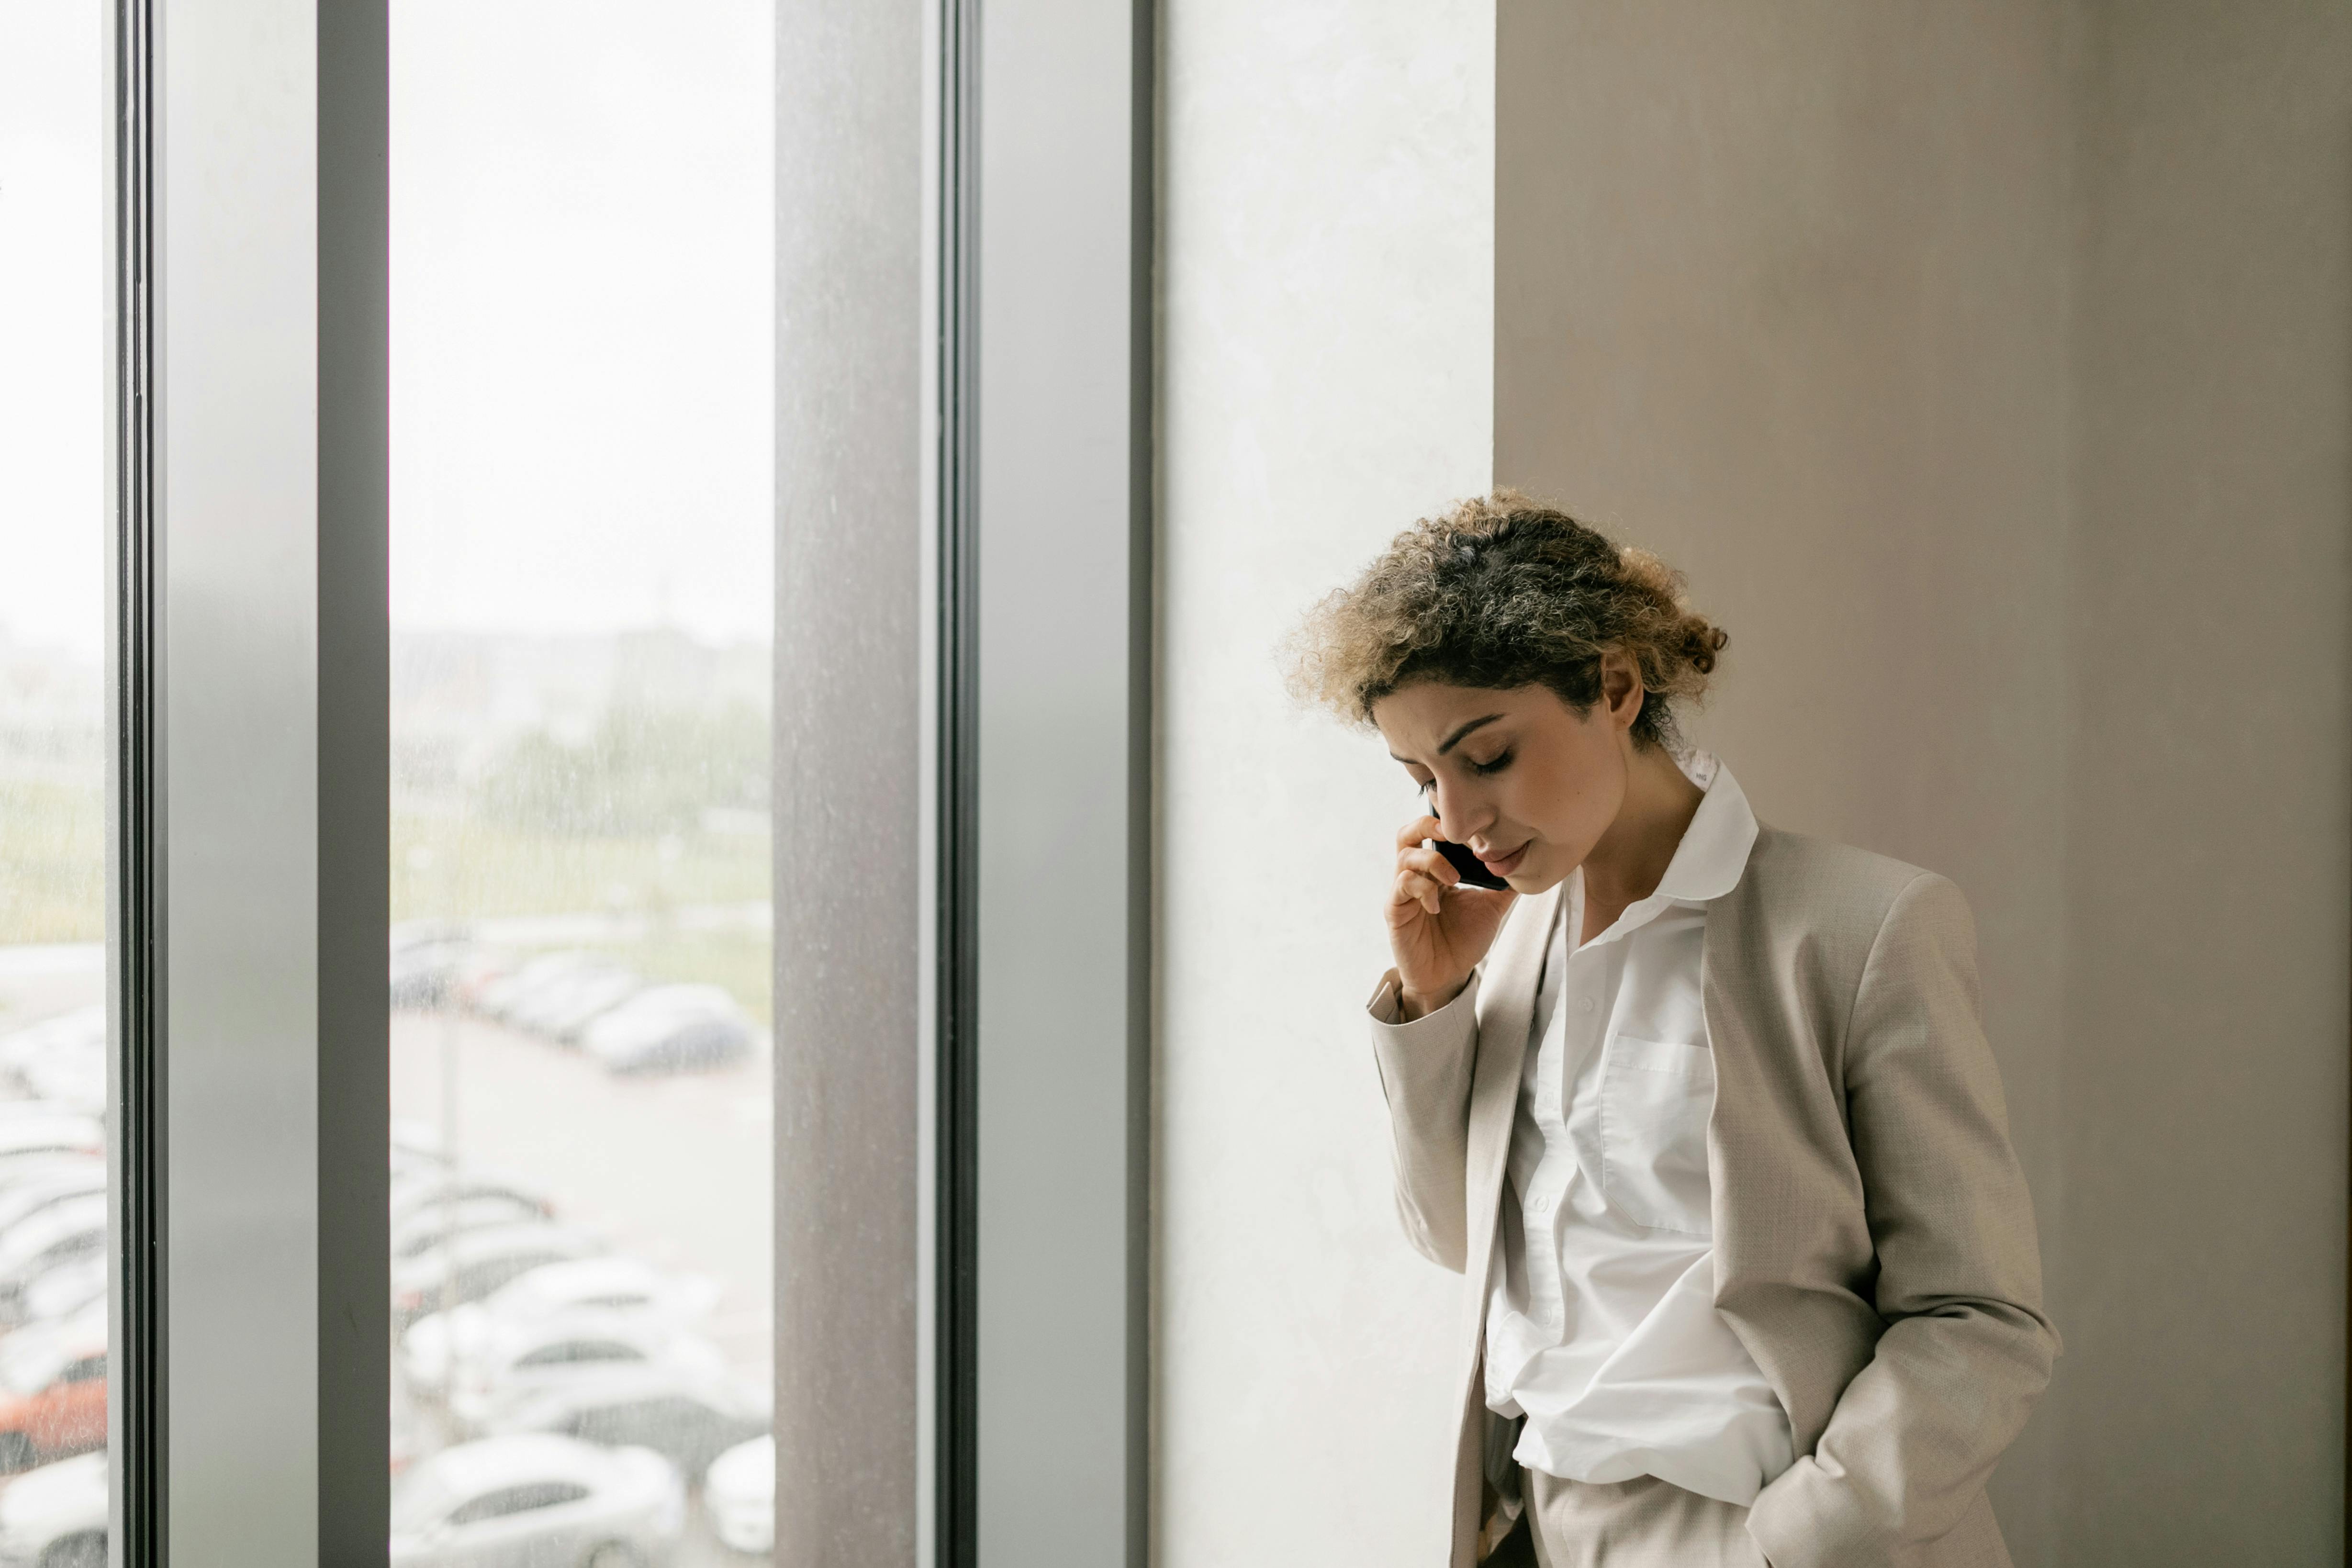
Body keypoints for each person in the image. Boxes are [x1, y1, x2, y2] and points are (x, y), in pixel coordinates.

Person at [1288, 493, 2057, 1568]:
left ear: (1613, 685)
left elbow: (1979, 1322)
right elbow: (1457, 1241)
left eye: (1490, 757)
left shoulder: (1861, 928)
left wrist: (1789, 1544)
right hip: (1543, 1522)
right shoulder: (1503, 941)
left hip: (1765, 1534)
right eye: (1426, 780)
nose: (1459, 824)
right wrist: (1431, 1004)